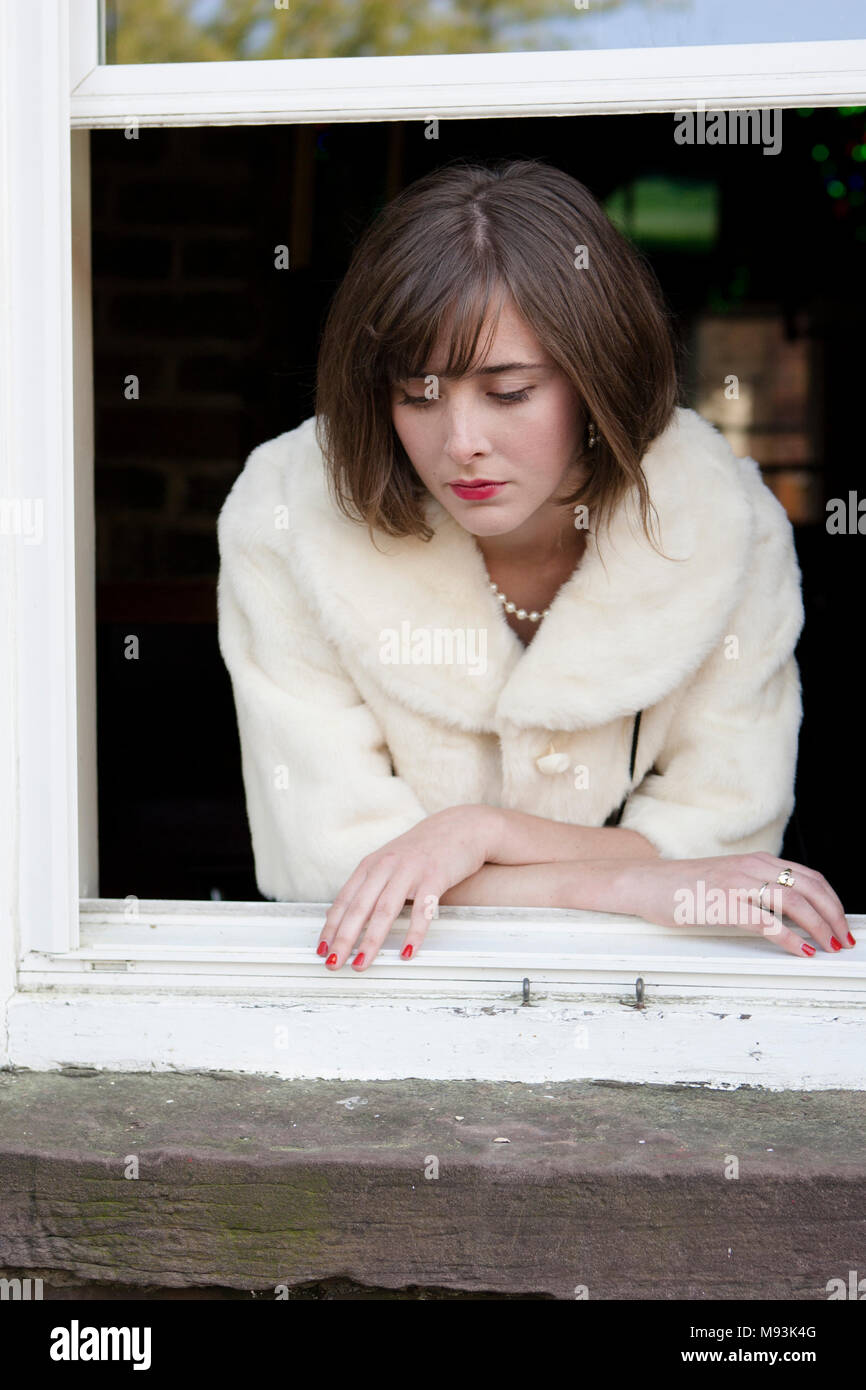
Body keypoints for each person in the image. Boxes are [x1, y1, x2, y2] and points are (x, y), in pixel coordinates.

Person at [216, 157, 853, 974]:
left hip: (655, 994)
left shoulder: (726, 517)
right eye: (417, 393)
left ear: (596, 376)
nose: (461, 442)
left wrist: (480, 835)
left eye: (509, 391)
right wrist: (631, 883)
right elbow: (338, 870)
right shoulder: (285, 512)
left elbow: (731, 843)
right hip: (381, 1001)